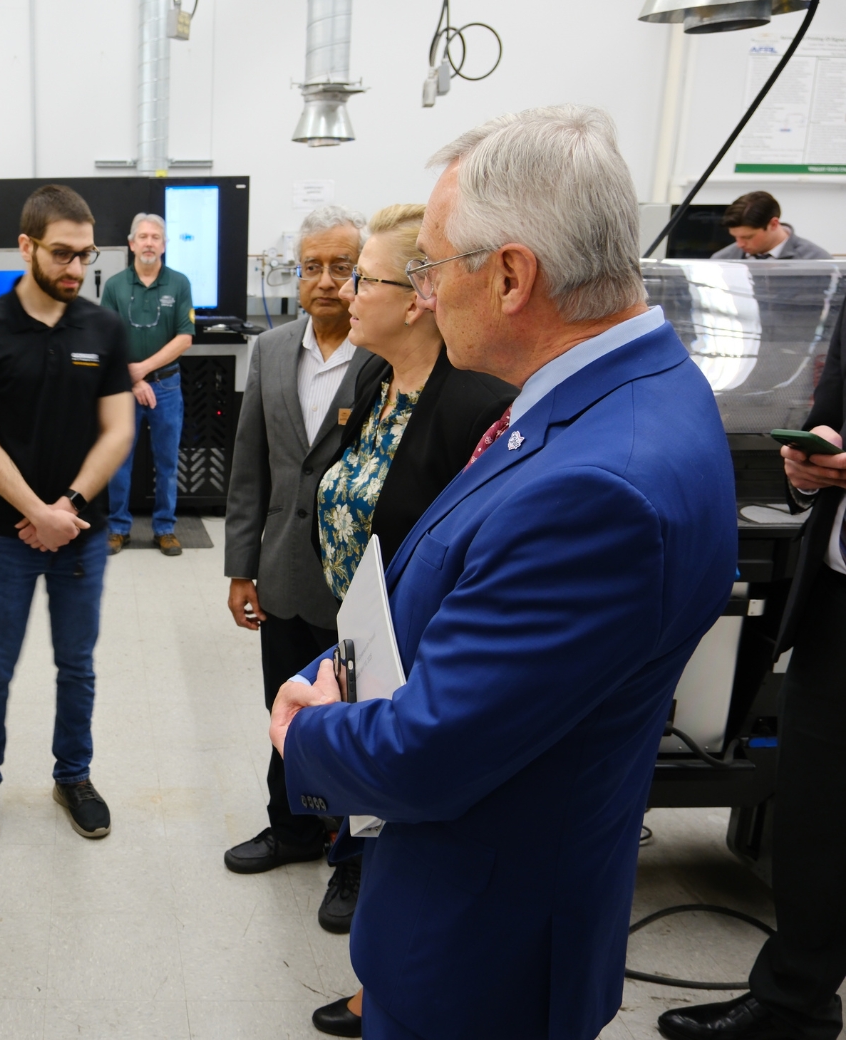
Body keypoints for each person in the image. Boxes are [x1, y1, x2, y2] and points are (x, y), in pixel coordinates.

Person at [271, 106, 737, 1040]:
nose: (426, 294)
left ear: (514, 274)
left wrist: (306, 735)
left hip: (484, 949)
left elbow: (430, 757)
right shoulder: (621, 394)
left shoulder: (602, 487)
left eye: (435, 269)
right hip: (499, 902)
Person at [303, 203, 515, 1038]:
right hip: (361, 640)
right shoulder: (370, 379)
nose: (345, 294)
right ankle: (380, 978)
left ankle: (398, 992)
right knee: (383, 835)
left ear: (420, 296)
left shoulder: (477, 406)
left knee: (422, 843)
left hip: (426, 655)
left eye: (365, 279)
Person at [657, 311, 846, 1040]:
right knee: (816, 816)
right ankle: (793, 1002)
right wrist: (809, 468)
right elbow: (829, 418)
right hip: (835, 600)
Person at [0, 184, 134, 845]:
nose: (76, 270)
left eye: (86, 256)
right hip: (7, 536)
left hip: (82, 533)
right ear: (26, 246)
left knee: (76, 664)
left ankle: (73, 776)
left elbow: (117, 430)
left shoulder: (103, 328)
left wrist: (69, 507)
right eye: (62, 253)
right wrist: (35, 512)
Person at [223, 205, 374, 874]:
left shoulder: (386, 354)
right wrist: (240, 568)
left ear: (362, 274)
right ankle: (291, 831)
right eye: (312, 266)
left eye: (342, 267)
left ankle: (352, 859)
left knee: (358, 718)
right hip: (283, 568)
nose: (325, 280)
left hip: (360, 581)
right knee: (286, 710)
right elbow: (249, 465)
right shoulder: (273, 348)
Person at [101, 213, 196, 555]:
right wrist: (133, 378)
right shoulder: (114, 285)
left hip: (167, 387)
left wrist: (141, 370)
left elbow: (185, 337)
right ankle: (117, 528)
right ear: (131, 243)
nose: (149, 242)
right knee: (118, 459)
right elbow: (107, 339)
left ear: (165, 245)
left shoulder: (179, 283)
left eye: (156, 237)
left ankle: (165, 528)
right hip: (122, 390)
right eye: (143, 236)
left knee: (168, 462)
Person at [711, 191, 831, 260]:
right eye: (735, 237)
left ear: (773, 224)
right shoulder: (723, 260)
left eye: (748, 237)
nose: (739, 244)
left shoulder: (816, 260)